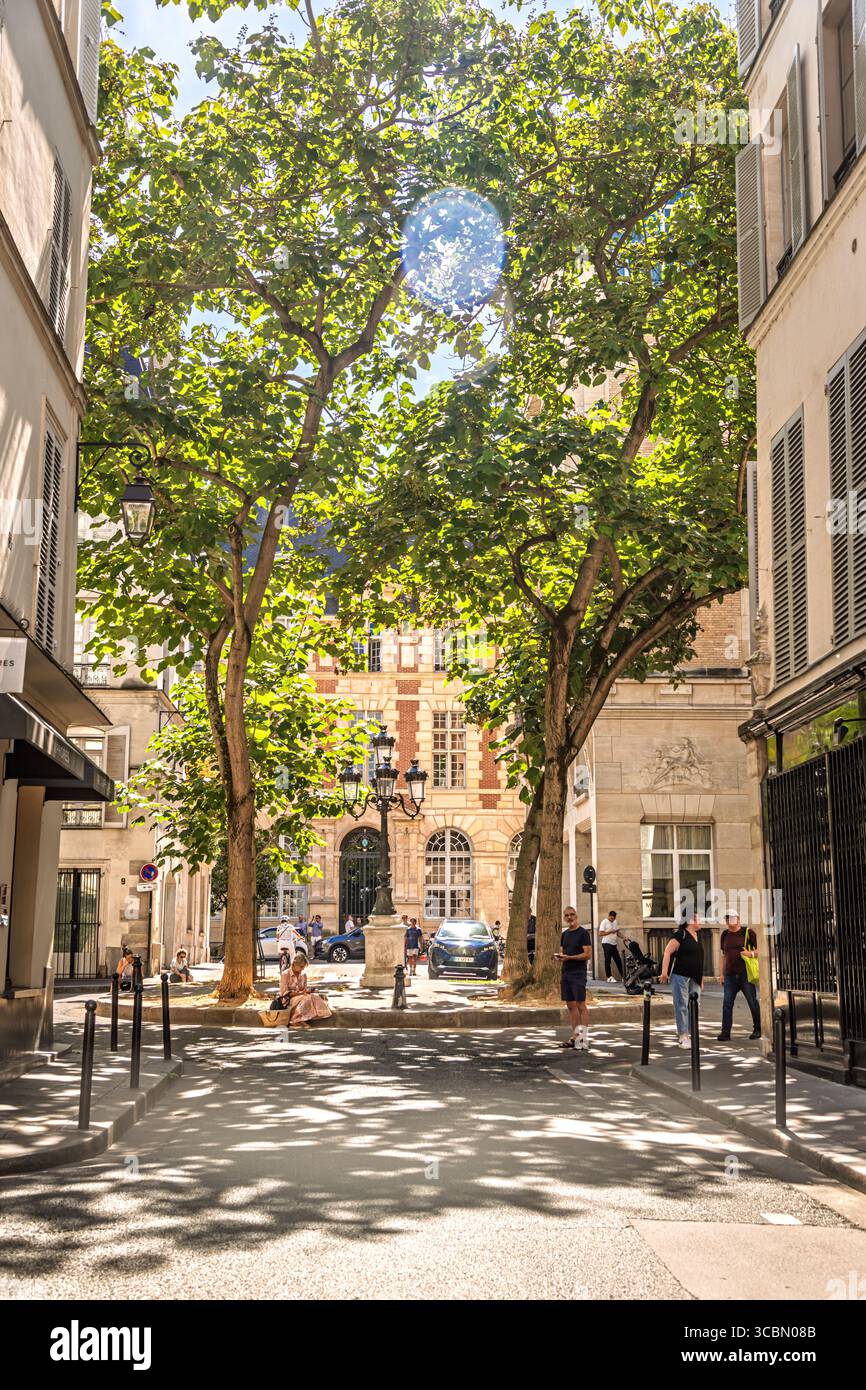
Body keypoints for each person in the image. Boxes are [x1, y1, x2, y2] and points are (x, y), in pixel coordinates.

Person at [660, 912, 704, 1048]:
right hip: (680, 976)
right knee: (682, 1005)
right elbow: (667, 952)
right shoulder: (681, 934)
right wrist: (664, 972)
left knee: (695, 1005)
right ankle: (683, 1035)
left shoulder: (698, 936)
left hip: (695, 978)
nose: (700, 921)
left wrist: (701, 979)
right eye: (698, 919)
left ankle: (692, 1032)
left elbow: (699, 959)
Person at [717, 912, 761, 1041]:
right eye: (727, 918)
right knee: (727, 1004)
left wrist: (750, 954)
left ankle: (758, 1029)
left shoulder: (747, 932)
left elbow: (761, 949)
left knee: (752, 1002)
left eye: (731, 917)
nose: (729, 920)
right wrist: (721, 974)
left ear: (738, 919)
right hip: (730, 976)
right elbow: (723, 956)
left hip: (745, 975)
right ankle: (725, 1032)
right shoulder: (724, 935)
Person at [554, 906, 592, 1050]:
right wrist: (560, 957)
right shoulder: (564, 934)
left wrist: (570, 957)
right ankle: (575, 1037)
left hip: (578, 973)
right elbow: (562, 952)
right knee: (570, 1005)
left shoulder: (583, 933)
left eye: (572, 914)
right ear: (564, 917)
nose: (569, 917)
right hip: (566, 972)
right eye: (567, 915)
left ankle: (583, 1039)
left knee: (581, 1005)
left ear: (576, 915)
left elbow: (587, 954)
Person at [279, 955, 332, 1029]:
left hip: (302, 995)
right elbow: (284, 993)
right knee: (305, 999)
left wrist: (309, 991)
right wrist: (300, 993)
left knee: (315, 997)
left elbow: (304, 989)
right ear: (294, 964)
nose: (302, 969)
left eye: (303, 967)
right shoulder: (285, 974)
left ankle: (309, 1017)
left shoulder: (303, 975)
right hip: (288, 999)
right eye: (301, 967)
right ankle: (295, 1020)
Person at [598, 909, 624, 983]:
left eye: (614, 918)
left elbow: (617, 932)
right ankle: (609, 977)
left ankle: (623, 976)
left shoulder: (615, 922)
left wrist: (624, 937)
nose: (612, 920)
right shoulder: (604, 922)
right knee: (608, 960)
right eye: (611, 918)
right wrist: (610, 931)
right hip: (606, 943)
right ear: (609, 916)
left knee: (618, 960)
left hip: (614, 944)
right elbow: (600, 933)